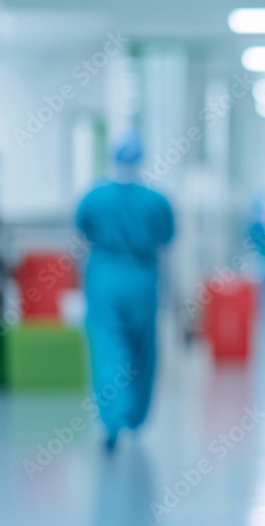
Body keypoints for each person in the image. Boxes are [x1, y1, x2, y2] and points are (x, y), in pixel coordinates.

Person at [76, 132, 174, 452]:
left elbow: (81, 235)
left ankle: (112, 420)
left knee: (108, 349)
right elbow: (167, 242)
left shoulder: (95, 197)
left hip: (105, 277)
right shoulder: (156, 201)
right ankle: (135, 416)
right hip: (143, 280)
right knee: (142, 350)